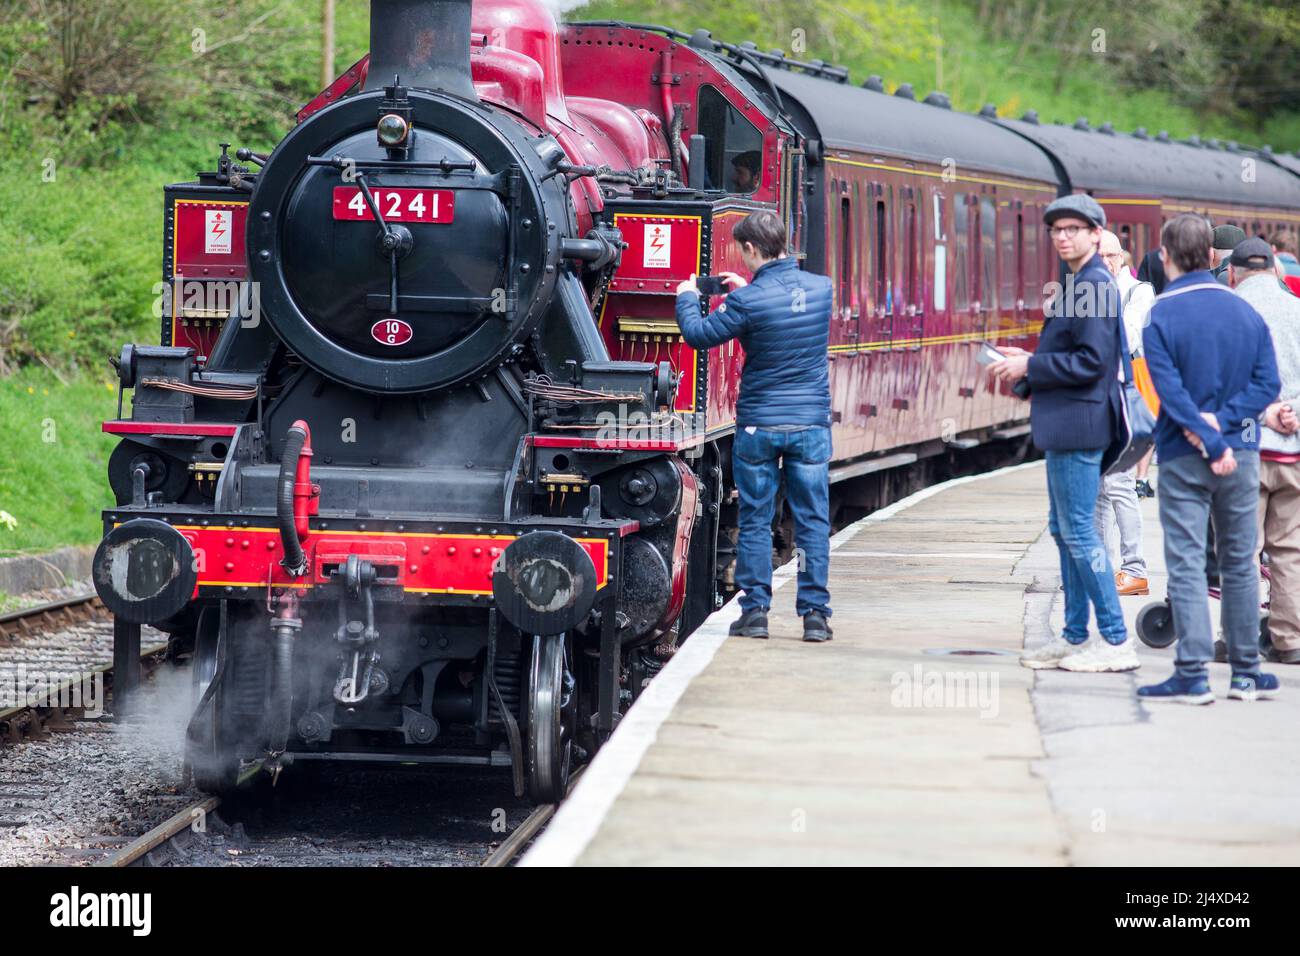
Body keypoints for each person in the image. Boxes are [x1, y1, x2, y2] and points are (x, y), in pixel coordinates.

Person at [988, 194, 1138, 672]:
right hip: (1068, 423)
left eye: (1074, 229)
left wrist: (1031, 366)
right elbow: (1076, 355)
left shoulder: (1092, 284)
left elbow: (1093, 362)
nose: (1063, 237)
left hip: (1080, 424)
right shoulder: (1081, 282)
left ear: (1096, 234)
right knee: (1065, 528)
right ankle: (1074, 636)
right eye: (1057, 229)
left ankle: (1114, 640)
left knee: (1079, 530)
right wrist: (1029, 364)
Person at [1137, 216, 1282, 704]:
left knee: (1186, 561)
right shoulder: (1245, 312)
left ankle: (1193, 673)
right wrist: (1224, 425)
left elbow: (1169, 391)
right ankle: (1245, 674)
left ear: (1165, 258)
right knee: (1240, 562)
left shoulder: (1160, 314)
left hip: (1184, 454)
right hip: (1241, 452)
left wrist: (1206, 434)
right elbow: (1267, 385)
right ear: (1213, 257)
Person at [675, 210, 834, 642]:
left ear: (749, 248)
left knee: (757, 520)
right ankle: (815, 616)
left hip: (759, 427)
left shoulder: (747, 303)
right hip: (810, 425)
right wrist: (750, 292)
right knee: (812, 522)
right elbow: (784, 315)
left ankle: (756, 613)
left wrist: (687, 296)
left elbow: (698, 334)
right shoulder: (821, 290)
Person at [1228, 238, 1300, 665]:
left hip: (1246, 449)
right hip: (1293, 453)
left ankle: (1236, 640)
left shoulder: (1231, 312)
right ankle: (1289, 640)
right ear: (1275, 269)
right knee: (1289, 550)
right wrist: (1294, 415)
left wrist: (1264, 413)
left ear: (1232, 273)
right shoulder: (1297, 309)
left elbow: (1226, 383)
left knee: (1242, 550)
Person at [1094, 229, 1152, 596]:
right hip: (1095, 400)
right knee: (1099, 487)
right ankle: (1100, 569)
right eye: (1096, 257)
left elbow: (1127, 337)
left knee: (1119, 484)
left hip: (1123, 400)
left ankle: (1134, 569)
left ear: (1121, 258)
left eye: (1109, 256)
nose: (1103, 263)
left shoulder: (1138, 292)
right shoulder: (1084, 293)